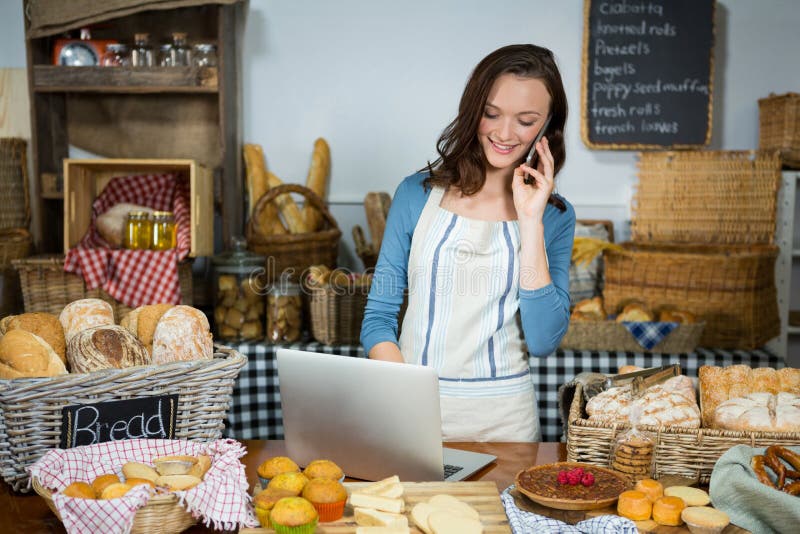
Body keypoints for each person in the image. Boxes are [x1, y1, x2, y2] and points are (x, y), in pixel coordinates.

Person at [360, 44, 575, 442]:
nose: (504, 133)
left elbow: (544, 340)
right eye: (491, 114)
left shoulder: (554, 215)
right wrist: (409, 398)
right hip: (410, 413)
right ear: (473, 108)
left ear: (547, 127)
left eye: (526, 121)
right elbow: (377, 320)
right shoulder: (416, 195)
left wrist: (530, 221)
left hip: (506, 424)